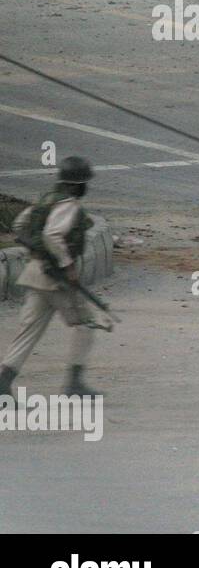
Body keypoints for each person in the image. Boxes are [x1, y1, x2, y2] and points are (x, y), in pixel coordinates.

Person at [0, 156, 101, 397]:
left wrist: (36, 251)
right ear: (78, 184)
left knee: (29, 331)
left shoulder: (46, 201)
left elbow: (20, 225)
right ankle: (74, 385)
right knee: (86, 324)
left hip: (35, 272)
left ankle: (3, 383)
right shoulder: (69, 205)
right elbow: (53, 235)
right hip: (55, 279)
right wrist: (67, 266)